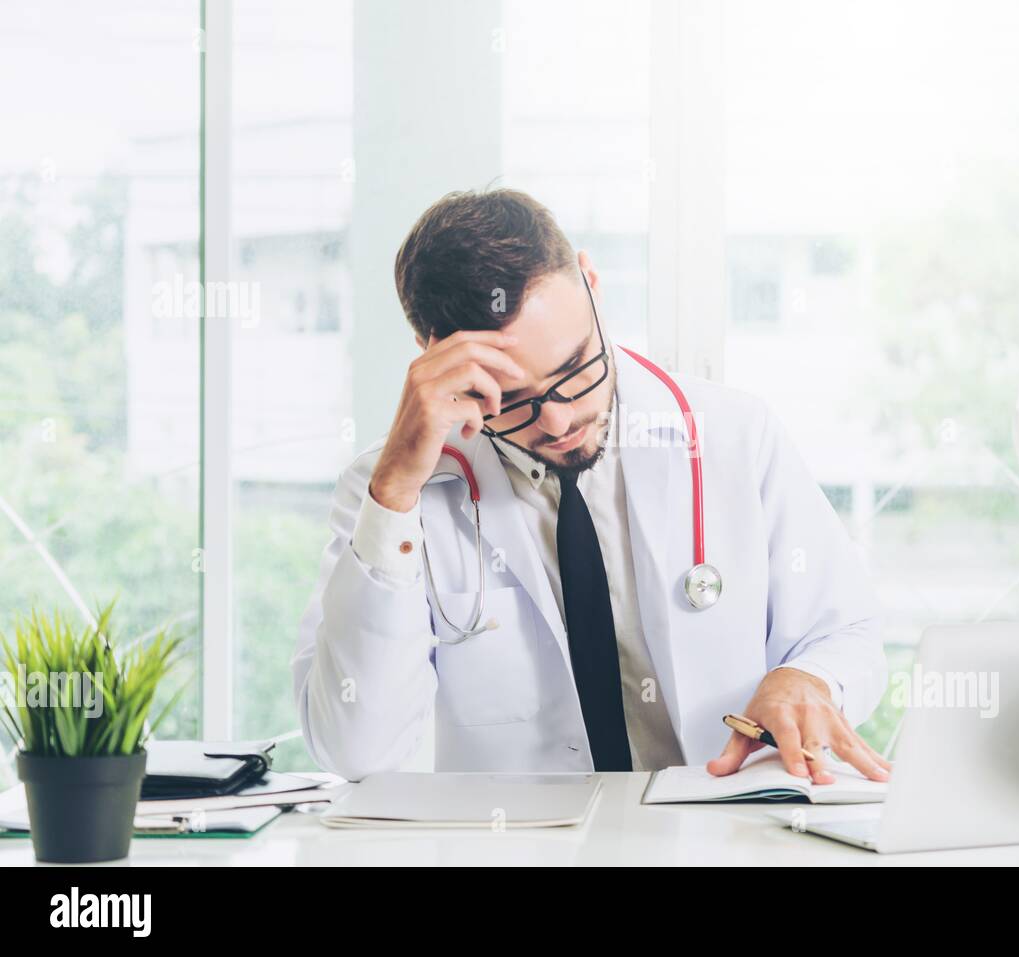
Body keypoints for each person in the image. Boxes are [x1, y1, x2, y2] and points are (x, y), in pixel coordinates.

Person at [293, 188, 890, 785]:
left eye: (574, 370)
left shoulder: (733, 434)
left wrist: (809, 678)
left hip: (720, 834)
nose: (557, 421)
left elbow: (848, 633)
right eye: (512, 399)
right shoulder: (392, 494)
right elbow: (355, 751)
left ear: (592, 284)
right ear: (435, 362)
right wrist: (395, 492)